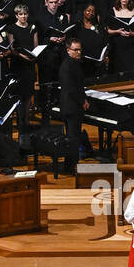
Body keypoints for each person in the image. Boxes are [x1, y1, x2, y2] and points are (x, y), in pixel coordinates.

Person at [58, 37, 87, 173]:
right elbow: (71, 89)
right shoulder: (67, 66)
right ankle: (70, 167)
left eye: (80, 49)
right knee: (73, 139)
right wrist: (83, 101)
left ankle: (70, 165)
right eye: (76, 50)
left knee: (72, 137)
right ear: (68, 51)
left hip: (71, 105)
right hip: (72, 106)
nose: (79, 52)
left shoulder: (74, 63)